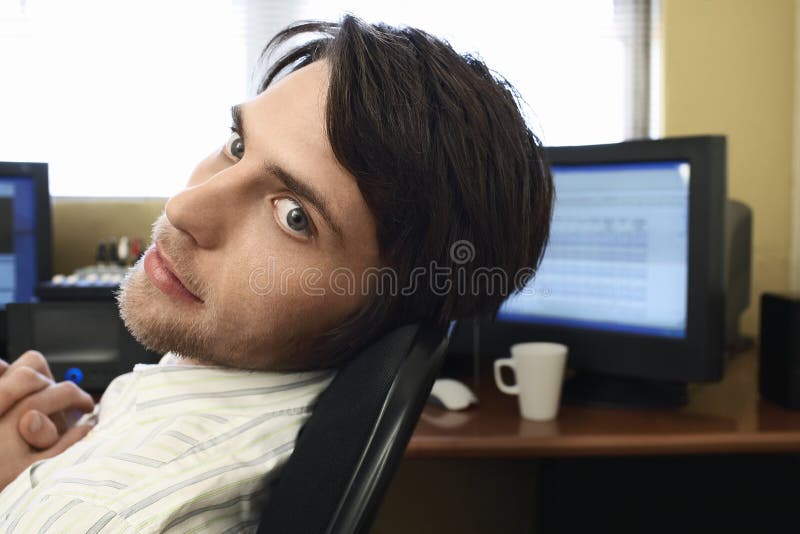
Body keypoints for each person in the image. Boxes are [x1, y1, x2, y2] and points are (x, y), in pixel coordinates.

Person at [0, 15, 554, 532]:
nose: (185, 206)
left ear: (388, 307)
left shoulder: (104, 514)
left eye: (294, 216)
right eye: (237, 146)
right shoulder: (229, 373)